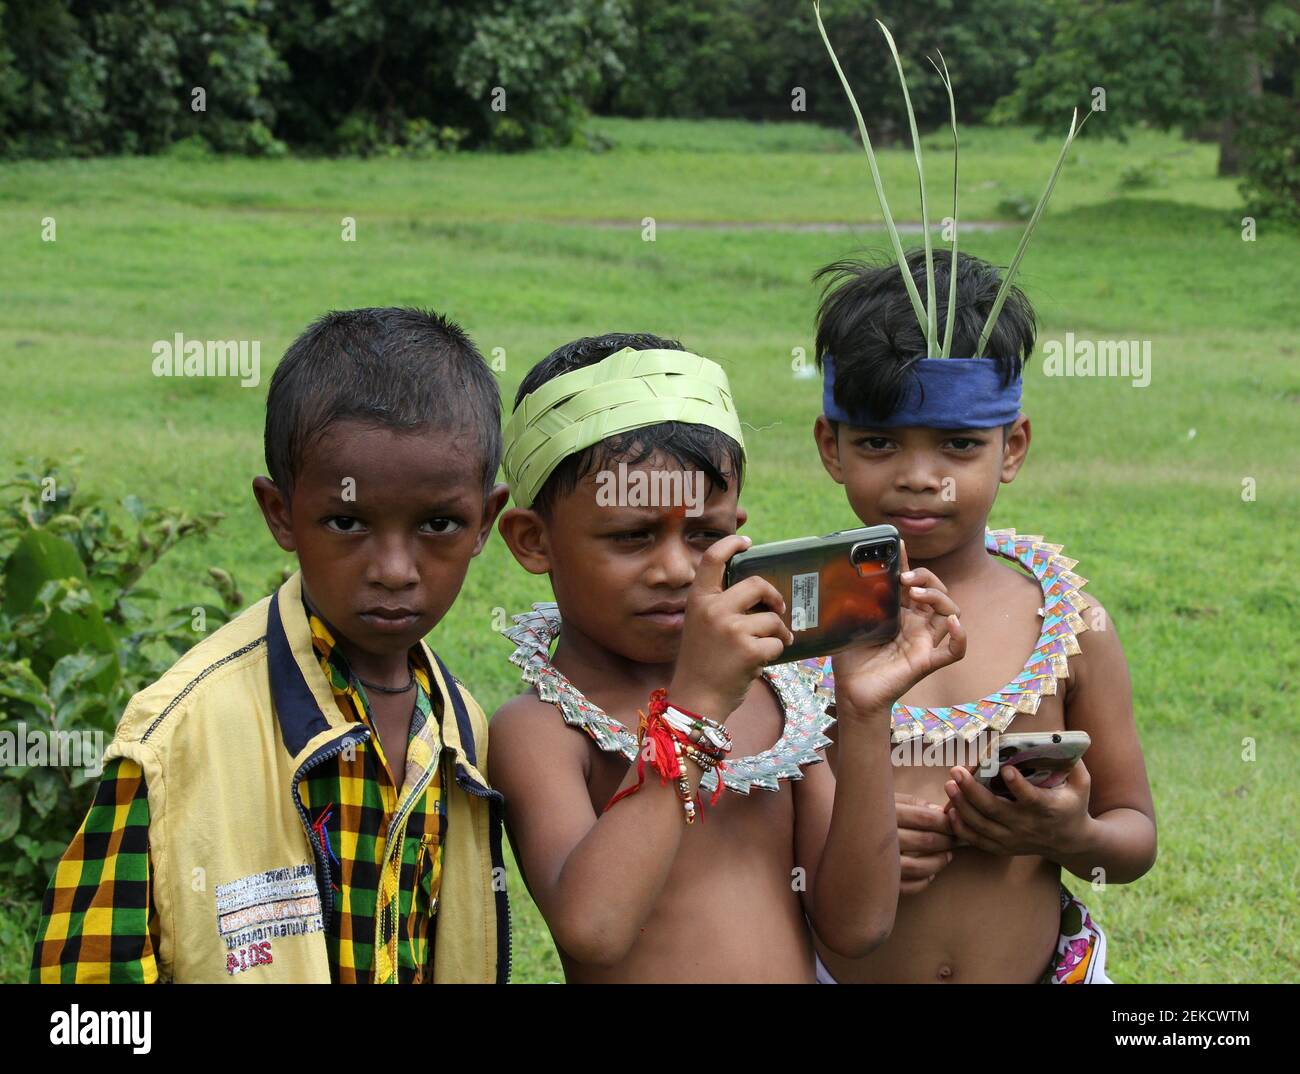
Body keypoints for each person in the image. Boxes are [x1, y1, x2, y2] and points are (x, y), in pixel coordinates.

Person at [30, 307, 511, 983]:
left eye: (438, 523)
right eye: (347, 521)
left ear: (485, 521)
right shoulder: (177, 740)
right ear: (281, 514)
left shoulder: (460, 730)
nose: (396, 569)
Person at [488, 332, 966, 983]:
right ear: (532, 541)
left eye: (705, 534)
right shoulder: (539, 730)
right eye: (632, 536)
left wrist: (861, 718)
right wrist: (693, 708)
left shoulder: (777, 701)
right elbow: (595, 930)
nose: (676, 569)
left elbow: (857, 927)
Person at [807, 249, 1157, 983]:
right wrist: (851, 850)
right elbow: (758, 852)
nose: (919, 476)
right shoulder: (796, 627)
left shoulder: (1067, 626)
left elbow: (1133, 838)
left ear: (1012, 447)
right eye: (878, 442)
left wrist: (1069, 833)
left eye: (960, 445)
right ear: (830, 447)